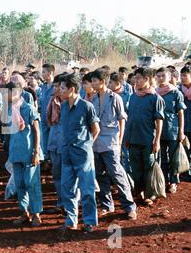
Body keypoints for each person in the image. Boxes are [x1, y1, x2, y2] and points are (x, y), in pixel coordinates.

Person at [90, 70, 137, 220]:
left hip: (111, 142)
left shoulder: (115, 98)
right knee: (100, 174)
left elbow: (122, 119)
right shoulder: (93, 100)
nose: (92, 84)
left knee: (117, 173)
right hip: (97, 143)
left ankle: (129, 206)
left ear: (102, 81)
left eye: (95, 81)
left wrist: (120, 138)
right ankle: (106, 205)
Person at [59, 73, 100, 233]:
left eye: (63, 88)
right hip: (67, 154)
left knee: (87, 190)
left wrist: (87, 145)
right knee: (67, 188)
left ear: (72, 89)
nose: (60, 91)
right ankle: (71, 219)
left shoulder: (86, 106)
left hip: (83, 155)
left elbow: (96, 129)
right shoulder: (63, 107)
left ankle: (89, 221)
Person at [125, 68, 165, 206]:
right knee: (136, 168)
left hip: (148, 140)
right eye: (135, 78)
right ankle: (139, 192)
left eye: (139, 78)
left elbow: (159, 120)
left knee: (148, 167)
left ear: (147, 79)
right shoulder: (133, 96)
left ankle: (149, 194)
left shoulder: (155, 98)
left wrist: (157, 140)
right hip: (133, 139)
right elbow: (130, 119)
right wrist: (127, 138)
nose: (136, 81)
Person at [5, 81, 43, 227]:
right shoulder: (9, 110)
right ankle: (24, 212)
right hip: (16, 152)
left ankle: (36, 214)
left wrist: (36, 152)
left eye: (9, 92)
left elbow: (36, 131)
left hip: (29, 152)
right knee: (20, 184)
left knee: (31, 183)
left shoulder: (28, 108)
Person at [156, 68, 186, 194]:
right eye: (158, 76)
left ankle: (173, 181)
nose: (161, 78)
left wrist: (181, 131)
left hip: (172, 130)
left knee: (174, 158)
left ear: (169, 77)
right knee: (162, 158)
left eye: (163, 76)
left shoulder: (175, 92)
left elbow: (180, 113)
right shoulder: (155, 93)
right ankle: (164, 181)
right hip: (159, 132)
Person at [46, 73, 66, 213]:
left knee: (69, 176)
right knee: (57, 175)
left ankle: (71, 204)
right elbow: (47, 123)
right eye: (53, 85)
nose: (54, 88)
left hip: (66, 145)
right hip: (54, 142)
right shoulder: (52, 102)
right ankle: (61, 202)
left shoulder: (70, 104)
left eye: (57, 86)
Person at [39, 64, 55, 161]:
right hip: (44, 117)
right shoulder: (43, 86)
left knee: (53, 140)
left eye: (44, 72)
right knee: (44, 139)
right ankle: (45, 159)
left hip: (53, 118)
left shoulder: (56, 87)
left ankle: (52, 160)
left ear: (50, 73)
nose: (42, 74)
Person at [179, 65, 191, 182]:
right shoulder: (178, 91)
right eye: (181, 75)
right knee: (185, 151)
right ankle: (186, 173)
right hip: (184, 126)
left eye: (185, 75)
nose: (182, 78)